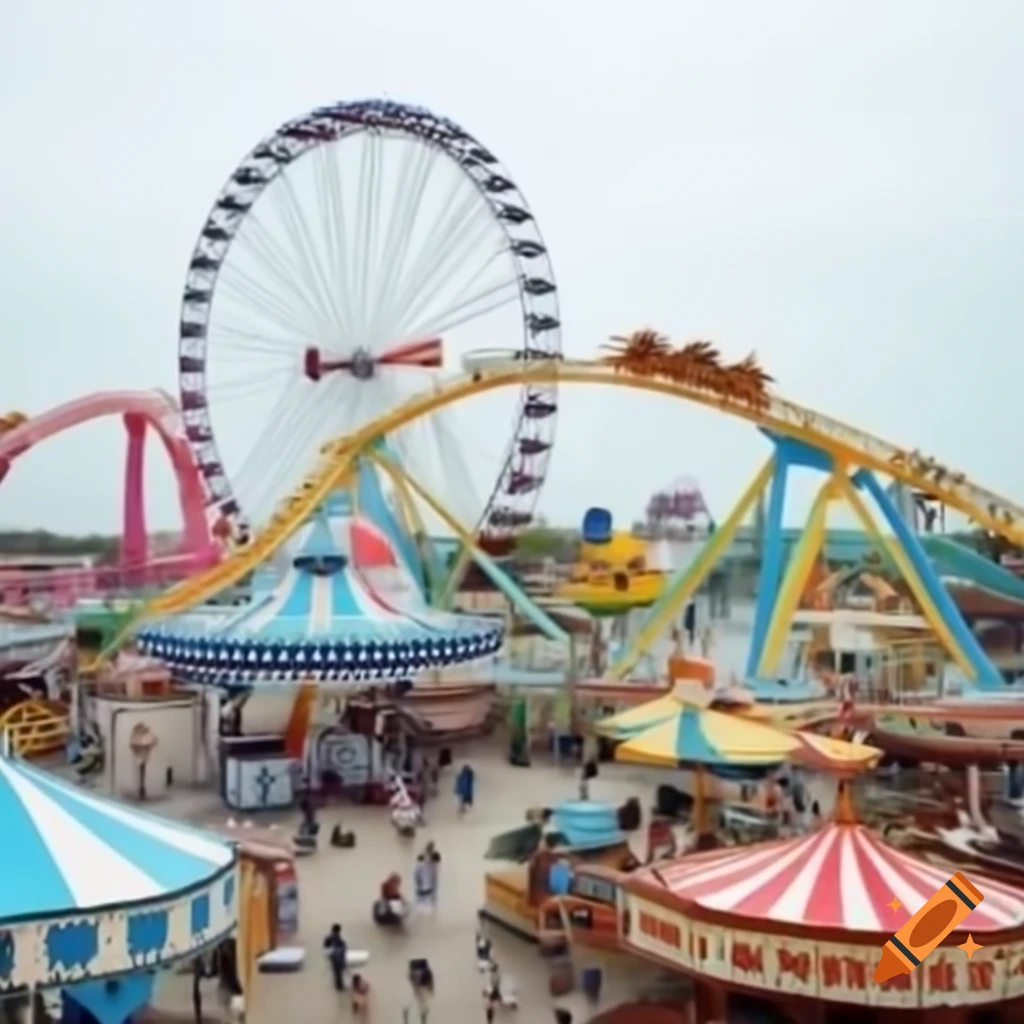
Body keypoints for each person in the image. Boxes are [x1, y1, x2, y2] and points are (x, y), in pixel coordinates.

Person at [323, 923, 347, 991]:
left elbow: (325, 946)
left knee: (337, 972)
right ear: (338, 930)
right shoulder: (338, 938)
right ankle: (339, 986)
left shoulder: (329, 937)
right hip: (337, 956)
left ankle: (338, 985)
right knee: (338, 972)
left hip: (334, 956)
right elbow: (343, 946)